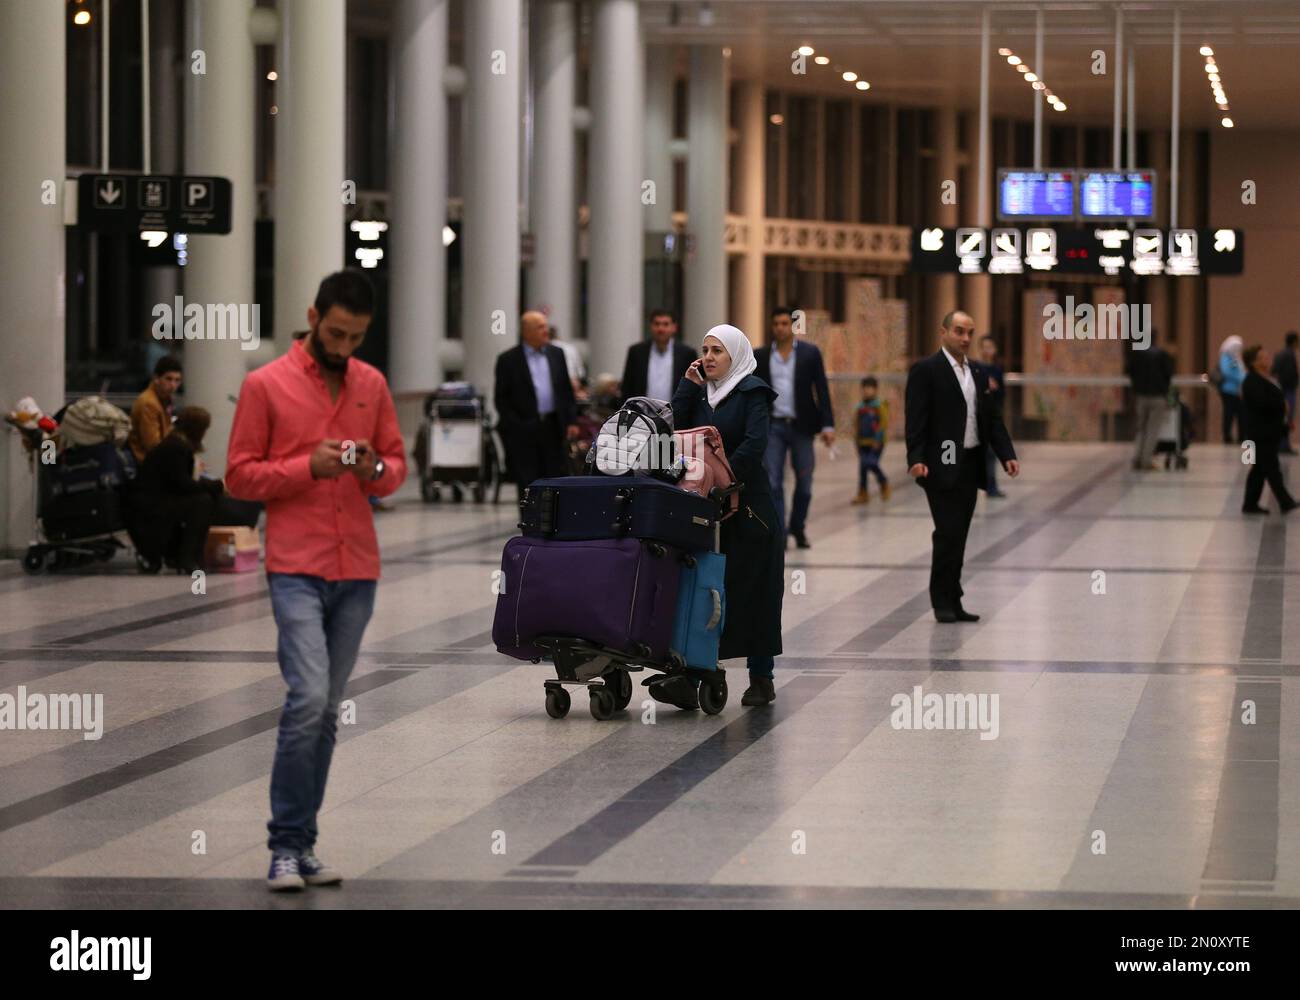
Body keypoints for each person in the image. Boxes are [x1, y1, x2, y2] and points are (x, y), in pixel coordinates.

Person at [225, 269, 407, 892]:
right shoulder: (265, 386)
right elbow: (239, 477)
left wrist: (371, 466)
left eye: (356, 337)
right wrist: (308, 466)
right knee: (306, 699)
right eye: (335, 332)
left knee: (327, 709)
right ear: (312, 315)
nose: (344, 346)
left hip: (357, 566)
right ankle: (282, 845)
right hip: (296, 566)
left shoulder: (371, 384)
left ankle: (303, 846)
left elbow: (394, 468)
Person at [670, 325, 784, 708]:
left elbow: (754, 443)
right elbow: (675, 429)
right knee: (705, 588)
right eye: (705, 349)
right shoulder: (701, 393)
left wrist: (725, 478)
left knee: (755, 588)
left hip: (748, 506)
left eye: (718, 350)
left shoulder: (752, 392)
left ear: (735, 355)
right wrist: (687, 386)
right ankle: (697, 671)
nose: (709, 357)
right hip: (705, 504)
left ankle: (761, 677)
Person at [905, 310, 1019, 623]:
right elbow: (915, 419)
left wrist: (1006, 453)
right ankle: (941, 599)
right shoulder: (926, 370)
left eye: (969, 332)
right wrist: (915, 458)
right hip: (941, 462)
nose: (965, 338)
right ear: (943, 332)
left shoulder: (980, 373)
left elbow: (992, 419)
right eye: (959, 331)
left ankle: (954, 599)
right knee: (948, 532)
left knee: (961, 533)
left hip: (970, 461)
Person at [753, 307, 835, 548]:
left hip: (802, 426)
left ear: (793, 326)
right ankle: (779, 533)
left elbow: (821, 389)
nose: (780, 328)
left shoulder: (810, 354)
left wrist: (828, 425)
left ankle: (797, 526)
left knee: (805, 483)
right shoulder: (762, 356)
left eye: (784, 323)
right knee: (774, 481)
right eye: (776, 323)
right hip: (773, 426)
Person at [494, 311, 579, 503]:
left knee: (554, 477)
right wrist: (515, 425)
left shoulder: (556, 354)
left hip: (552, 426)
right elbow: (502, 399)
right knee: (527, 480)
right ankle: (529, 522)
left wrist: (571, 420)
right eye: (540, 327)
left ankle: (553, 522)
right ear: (526, 331)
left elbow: (565, 390)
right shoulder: (508, 360)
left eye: (545, 326)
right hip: (524, 429)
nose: (545, 330)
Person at [131, 406, 223, 573]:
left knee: (204, 499)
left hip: (155, 498)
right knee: (203, 502)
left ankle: (189, 555)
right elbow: (182, 483)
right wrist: (217, 486)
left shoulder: (176, 443)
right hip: (151, 504)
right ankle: (188, 557)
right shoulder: (176, 448)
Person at [1240, 344, 1297, 515]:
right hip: (1258, 434)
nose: (1268, 359)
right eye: (1263, 357)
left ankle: (1250, 504)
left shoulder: (1265, 378)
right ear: (1254, 362)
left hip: (1267, 432)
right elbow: (1261, 403)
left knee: (1259, 469)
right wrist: (1282, 405)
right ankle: (1285, 502)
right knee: (1271, 468)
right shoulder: (1251, 381)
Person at [619, 309, 695, 403]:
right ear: (650, 326)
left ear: (674, 327)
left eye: (665, 324)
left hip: (676, 414)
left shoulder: (687, 353)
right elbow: (627, 387)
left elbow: (693, 387)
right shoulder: (636, 352)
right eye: (657, 324)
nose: (661, 329)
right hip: (641, 413)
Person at [1126, 332, 1174, 471]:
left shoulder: (1137, 354)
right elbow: (1168, 374)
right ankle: (1146, 460)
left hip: (1141, 396)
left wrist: (1137, 387)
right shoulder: (1162, 355)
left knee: (1141, 428)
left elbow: (1130, 372)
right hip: (1158, 397)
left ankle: (1137, 458)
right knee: (1153, 429)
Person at [128, 356, 183, 463]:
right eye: (168, 379)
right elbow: (152, 445)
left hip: (157, 460)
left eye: (177, 380)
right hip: (147, 463)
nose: (173, 385)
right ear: (156, 379)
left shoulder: (164, 399)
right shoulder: (149, 403)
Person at [976, 336, 1007, 496]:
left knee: (991, 453)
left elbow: (1002, 393)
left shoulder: (997, 369)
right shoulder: (975, 368)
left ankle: (991, 486)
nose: (987, 350)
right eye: (984, 347)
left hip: (992, 417)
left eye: (990, 347)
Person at [853, 377, 890, 504]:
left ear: (875, 390)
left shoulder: (879, 405)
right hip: (863, 442)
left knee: (871, 463)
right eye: (865, 388)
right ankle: (862, 493)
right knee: (863, 468)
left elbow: (883, 423)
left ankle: (883, 481)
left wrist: (878, 439)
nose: (867, 391)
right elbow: (856, 424)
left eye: (870, 388)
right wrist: (856, 441)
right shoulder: (860, 406)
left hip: (876, 442)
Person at [1270, 331, 1298, 454]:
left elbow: (1274, 370)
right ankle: (1283, 445)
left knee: (1284, 418)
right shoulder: (1289, 355)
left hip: (1282, 390)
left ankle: (1283, 444)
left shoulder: (1280, 354)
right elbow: (1289, 374)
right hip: (1287, 390)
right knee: (1286, 418)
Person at [1216, 335, 1246, 444]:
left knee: (1241, 414)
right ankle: (1227, 436)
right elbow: (1226, 372)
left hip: (1238, 392)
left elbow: (1241, 371)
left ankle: (1241, 436)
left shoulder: (1236, 358)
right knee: (1228, 414)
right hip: (1228, 391)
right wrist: (1240, 378)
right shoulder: (1225, 357)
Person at [548, 324, 586, 398]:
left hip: (554, 381)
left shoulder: (546, 348)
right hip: (572, 379)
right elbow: (580, 369)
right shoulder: (570, 347)